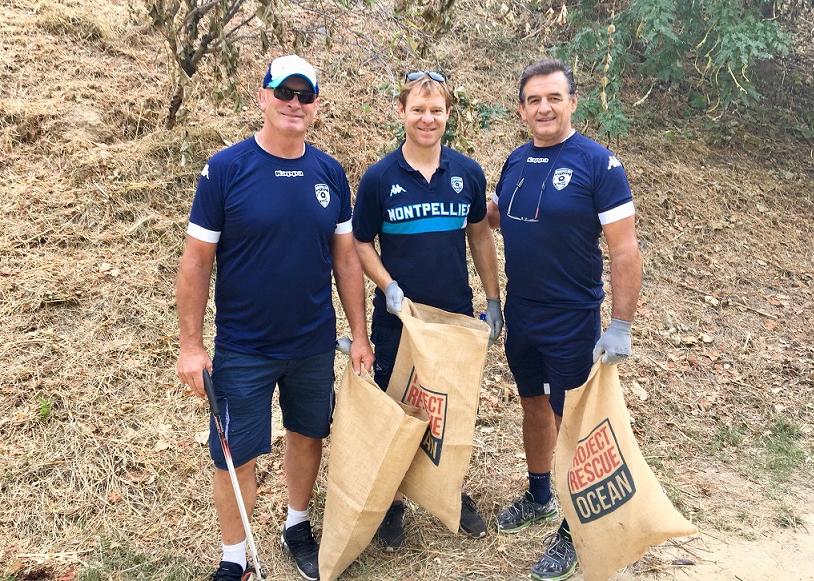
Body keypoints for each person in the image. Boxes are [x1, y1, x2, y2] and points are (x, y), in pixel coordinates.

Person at [175, 54, 374, 581]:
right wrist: (191, 346)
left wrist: (359, 334)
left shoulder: (329, 172)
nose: (294, 103)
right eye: (284, 92)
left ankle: (297, 525)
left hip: (312, 342)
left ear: (315, 105)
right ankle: (234, 558)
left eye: (305, 96)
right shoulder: (226, 169)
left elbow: (346, 260)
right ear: (262, 96)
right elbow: (196, 262)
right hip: (244, 347)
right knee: (234, 453)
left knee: (307, 434)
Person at [487, 58, 643, 580]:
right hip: (522, 312)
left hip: (572, 318)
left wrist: (620, 324)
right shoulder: (515, 160)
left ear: (573, 102)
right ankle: (540, 495)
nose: (544, 108)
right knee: (533, 404)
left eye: (554, 97)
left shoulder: (599, 164)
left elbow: (625, 249)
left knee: (574, 423)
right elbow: (499, 217)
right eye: (534, 99)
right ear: (521, 109)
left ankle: (575, 529)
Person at [352, 70, 504, 550]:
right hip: (399, 319)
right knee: (400, 408)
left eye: (436, 110)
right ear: (401, 112)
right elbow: (360, 243)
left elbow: (479, 235)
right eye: (417, 109)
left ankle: (450, 493)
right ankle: (393, 503)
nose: (427, 118)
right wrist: (388, 285)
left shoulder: (467, 173)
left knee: (450, 409)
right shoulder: (379, 179)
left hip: (453, 316)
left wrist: (493, 299)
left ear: (447, 115)